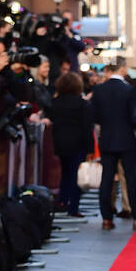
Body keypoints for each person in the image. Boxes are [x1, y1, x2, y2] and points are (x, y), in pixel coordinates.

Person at [91, 58, 136, 232]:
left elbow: (94, 117)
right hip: (126, 139)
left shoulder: (99, 90)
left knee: (106, 179)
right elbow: (134, 117)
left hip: (107, 139)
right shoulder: (129, 90)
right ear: (123, 69)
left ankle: (106, 218)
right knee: (132, 179)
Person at [46, 71, 94, 217]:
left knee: (65, 173)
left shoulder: (54, 103)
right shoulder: (83, 104)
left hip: (60, 143)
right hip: (78, 144)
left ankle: (62, 201)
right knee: (76, 176)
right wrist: (90, 148)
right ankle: (73, 207)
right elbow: (87, 128)